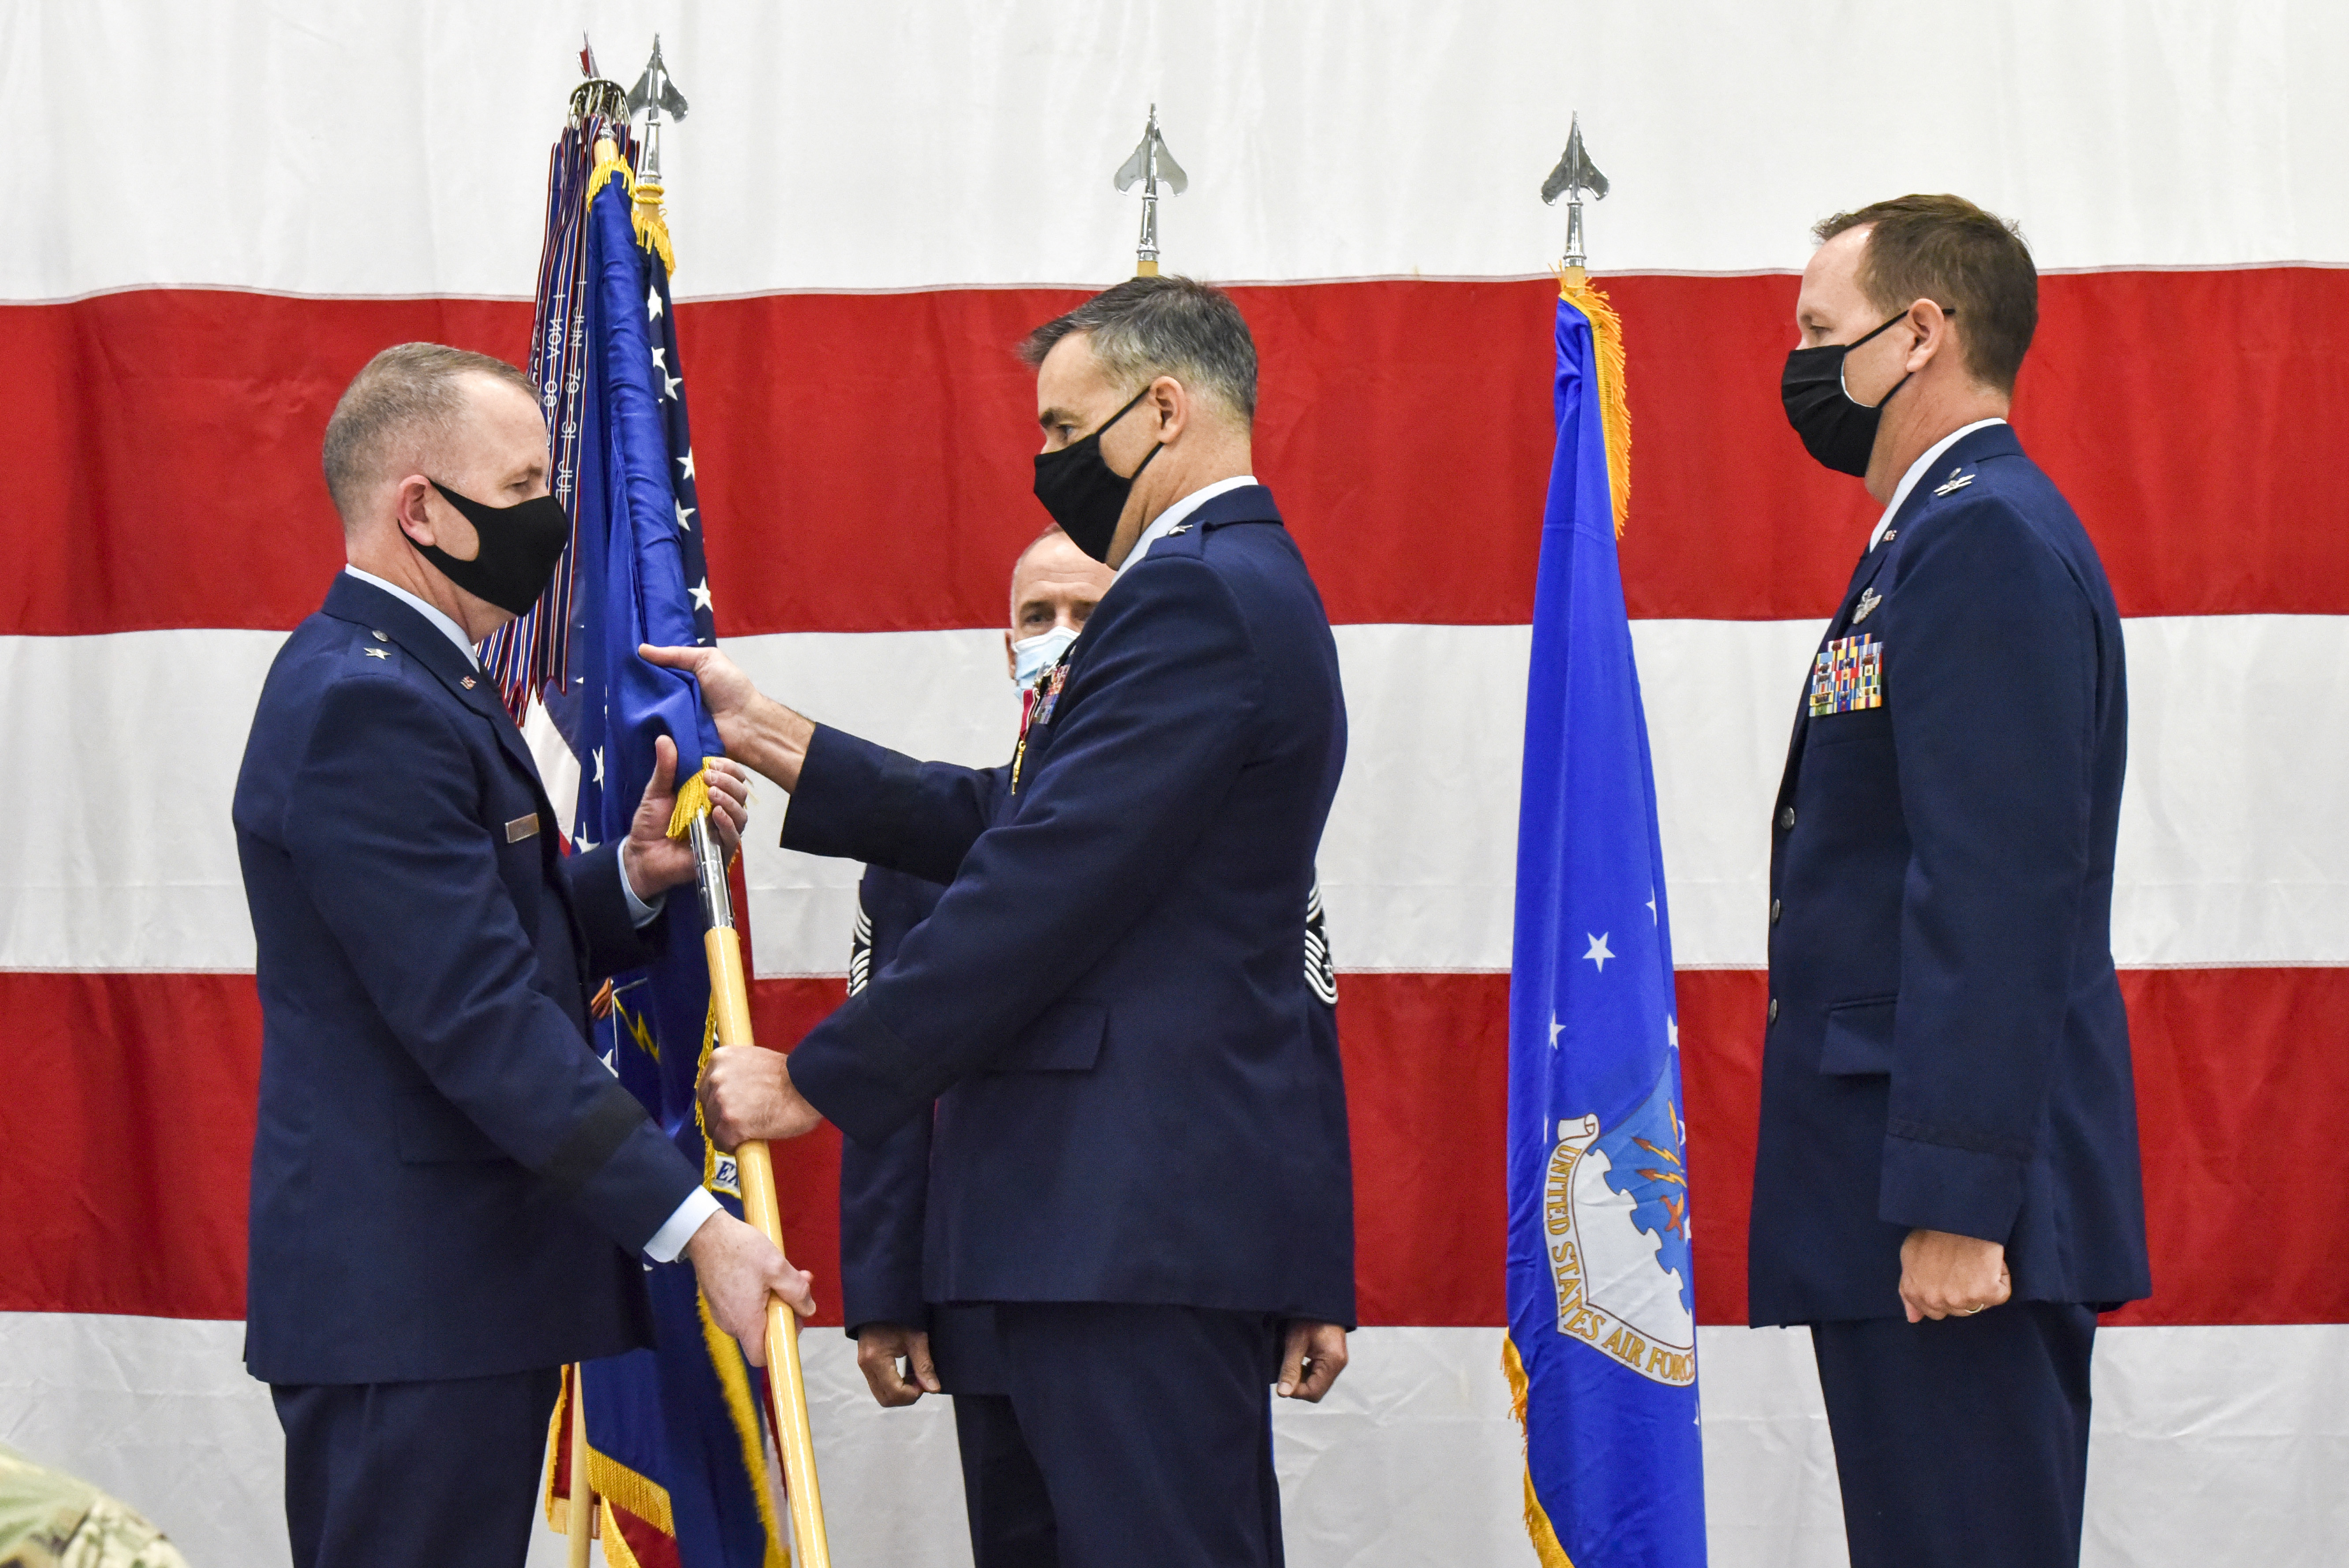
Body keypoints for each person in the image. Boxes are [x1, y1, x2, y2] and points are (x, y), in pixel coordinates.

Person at [651, 276, 1354, 1568]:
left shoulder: (1195, 593)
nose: (1045, 460)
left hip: (1130, 1226)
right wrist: (784, 739)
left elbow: (1043, 878)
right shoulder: (1220, 586)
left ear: (1162, 409)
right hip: (1082, 1228)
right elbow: (1023, 812)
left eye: (1059, 425)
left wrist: (821, 1076)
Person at [232, 343, 814, 1568]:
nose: (551, 516)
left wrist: (626, 880)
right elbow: (479, 1018)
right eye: (524, 483)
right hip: (412, 1309)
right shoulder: (367, 703)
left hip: (447, 1303)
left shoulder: (416, 677)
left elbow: (471, 927)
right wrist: (695, 1227)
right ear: (419, 510)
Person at [1751, 197, 2151, 1567]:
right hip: (1899, 1183)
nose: (1800, 360)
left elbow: (1997, 893)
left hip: (1948, 1214)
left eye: (1820, 330)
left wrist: (1957, 1200)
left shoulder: (1980, 540)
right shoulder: (1929, 539)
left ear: (1920, 331)